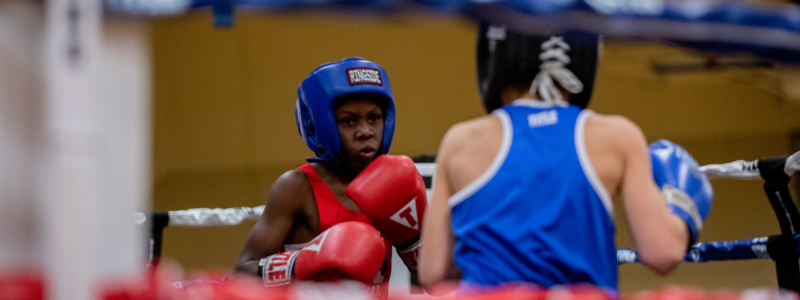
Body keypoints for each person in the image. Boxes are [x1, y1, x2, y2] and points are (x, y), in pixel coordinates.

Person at [418, 23, 713, 296]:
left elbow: (432, 271)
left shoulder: (461, 142)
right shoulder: (615, 137)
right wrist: (682, 204)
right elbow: (662, 252)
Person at [232, 57, 427, 299]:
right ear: (319, 125)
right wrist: (302, 263)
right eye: (348, 121)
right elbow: (240, 273)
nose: (366, 131)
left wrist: (414, 245)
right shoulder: (296, 187)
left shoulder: (396, 185)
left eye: (374, 118)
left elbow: (436, 279)